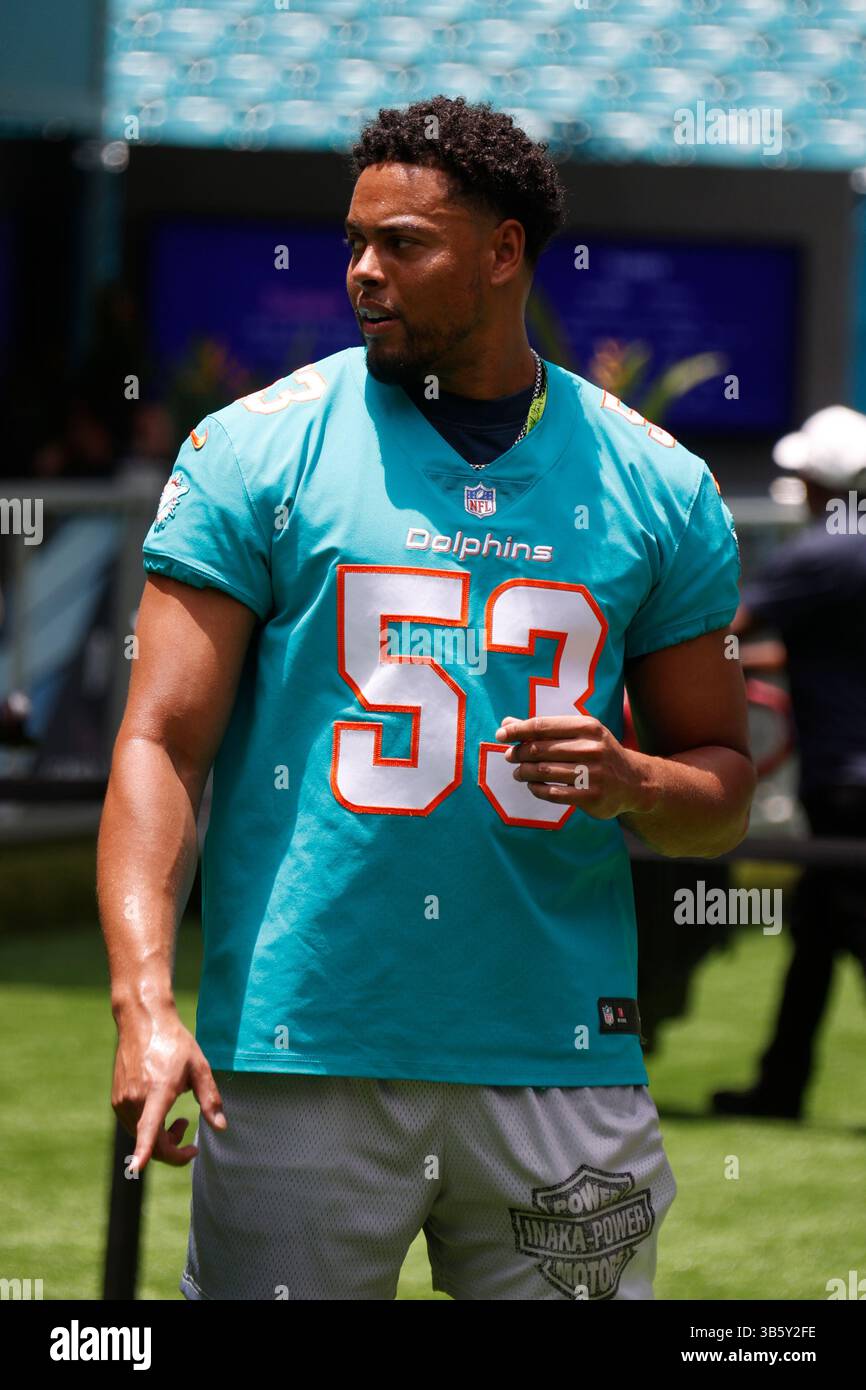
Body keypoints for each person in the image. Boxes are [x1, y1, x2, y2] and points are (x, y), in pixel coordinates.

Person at [97, 95, 754, 1301]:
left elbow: (720, 790)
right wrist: (146, 1001)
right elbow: (160, 743)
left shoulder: (657, 483)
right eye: (354, 240)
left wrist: (634, 781)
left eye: (404, 244)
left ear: (502, 252)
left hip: (558, 1056)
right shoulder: (252, 450)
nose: (360, 272)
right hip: (303, 1047)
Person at [713, 406, 866, 1122]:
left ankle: (779, 1087)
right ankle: (779, 1087)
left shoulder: (819, 557)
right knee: (815, 932)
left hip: (847, 784)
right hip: (847, 778)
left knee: (839, 926)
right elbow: (830, 649)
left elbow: (726, 634)